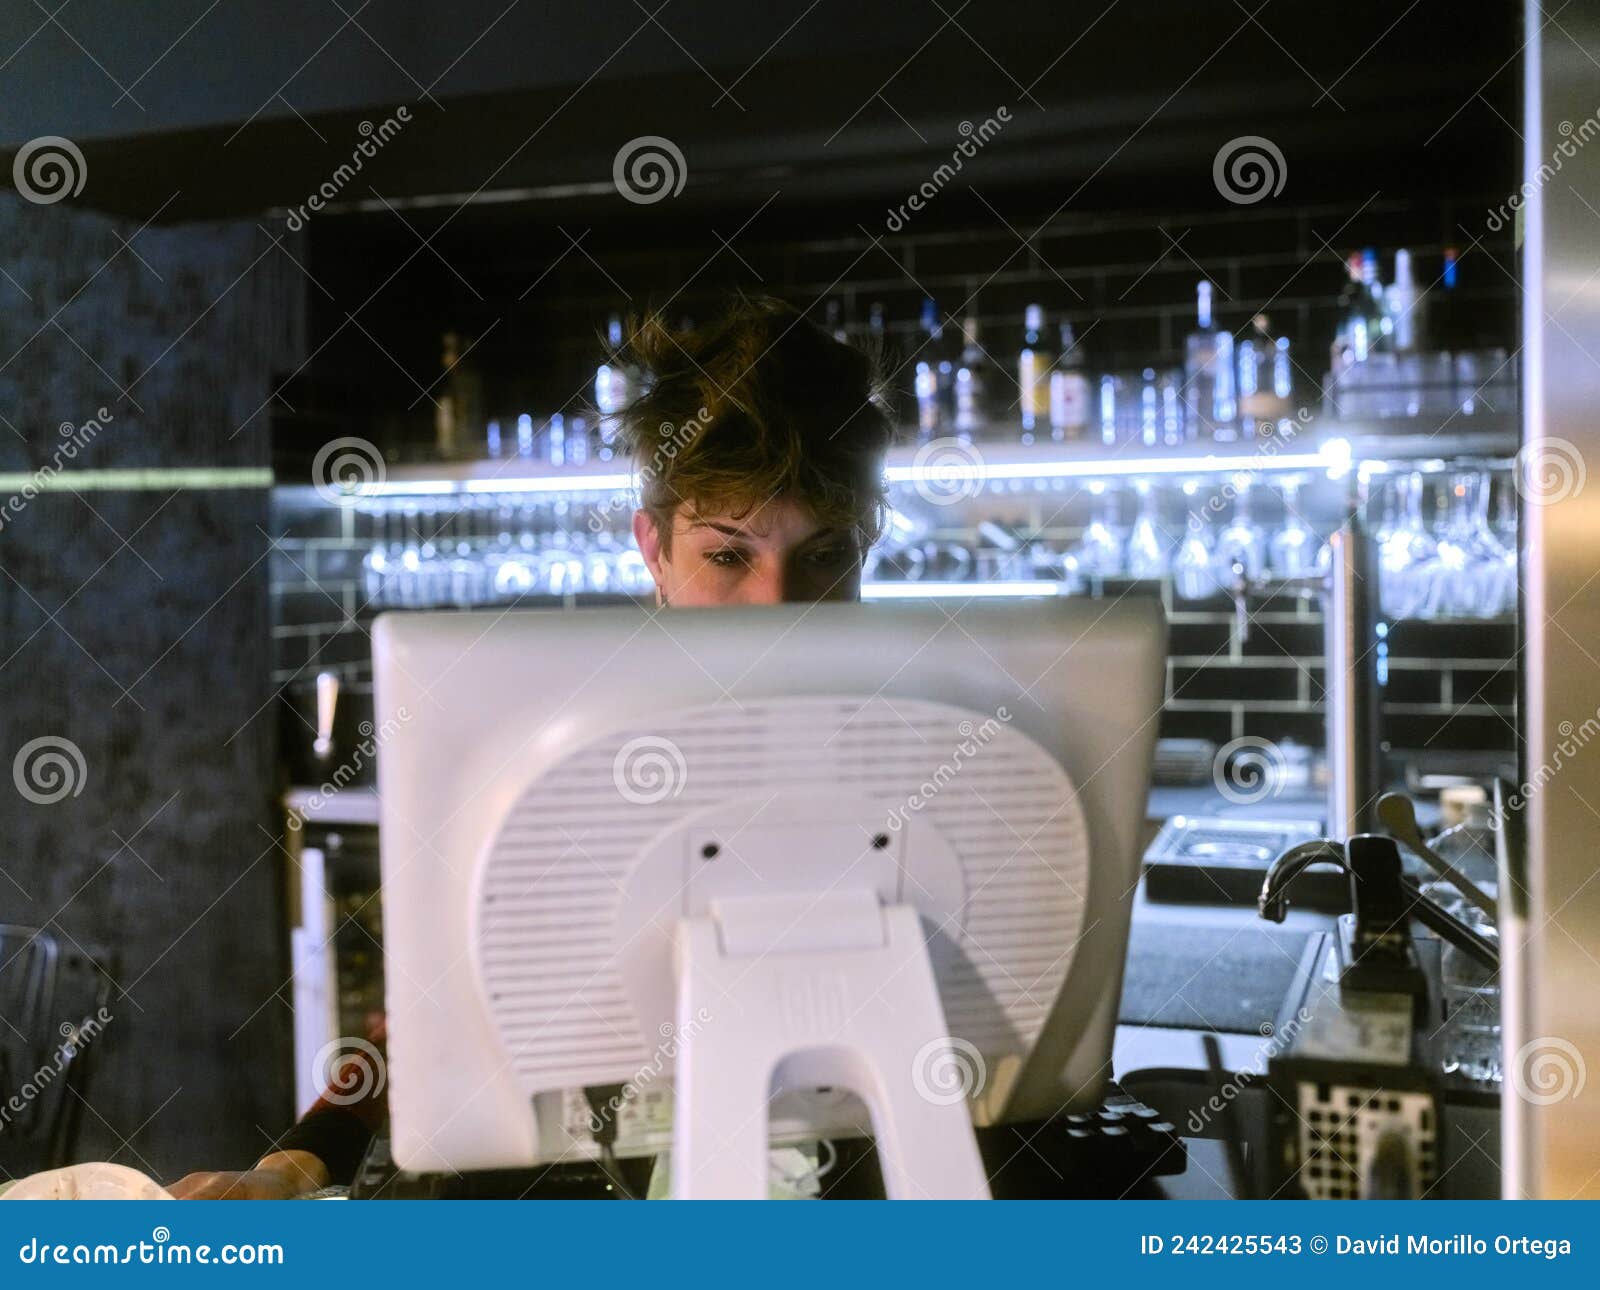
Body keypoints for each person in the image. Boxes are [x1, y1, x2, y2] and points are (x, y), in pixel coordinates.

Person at [170, 295, 895, 1197]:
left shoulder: (934, 769)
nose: (779, 611)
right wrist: (298, 1159)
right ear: (655, 554)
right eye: (728, 555)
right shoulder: (572, 764)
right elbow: (425, 1026)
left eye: (826, 556)